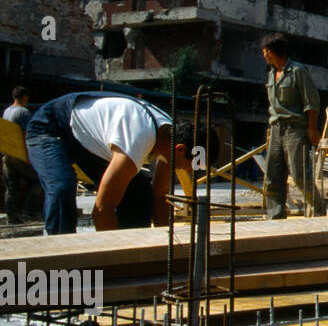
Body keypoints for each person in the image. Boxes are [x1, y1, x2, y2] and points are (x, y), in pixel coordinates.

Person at [24, 91, 194, 234]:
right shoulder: (136, 140)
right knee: (62, 186)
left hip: (86, 138)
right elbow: (102, 209)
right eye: (192, 166)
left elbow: (159, 195)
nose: (192, 172)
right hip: (50, 127)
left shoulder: (170, 138)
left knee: (139, 192)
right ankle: (59, 258)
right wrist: (110, 256)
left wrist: (162, 248)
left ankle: (134, 252)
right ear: (180, 150)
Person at [261, 32, 325, 219]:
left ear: (270, 52)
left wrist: (312, 129)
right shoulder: (272, 74)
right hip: (276, 130)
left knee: (299, 176)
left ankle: (319, 209)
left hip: (295, 130)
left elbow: (311, 102)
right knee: (272, 177)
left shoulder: (298, 71)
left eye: (264, 52)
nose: (263, 56)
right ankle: (276, 217)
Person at [3, 86, 42, 223]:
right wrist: (28, 156)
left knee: (12, 186)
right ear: (25, 97)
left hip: (8, 153)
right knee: (36, 182)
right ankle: (29, 212)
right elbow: (26, 135)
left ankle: (12, 217)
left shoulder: (7, 111)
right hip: (19, 154)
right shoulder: (24, 112)